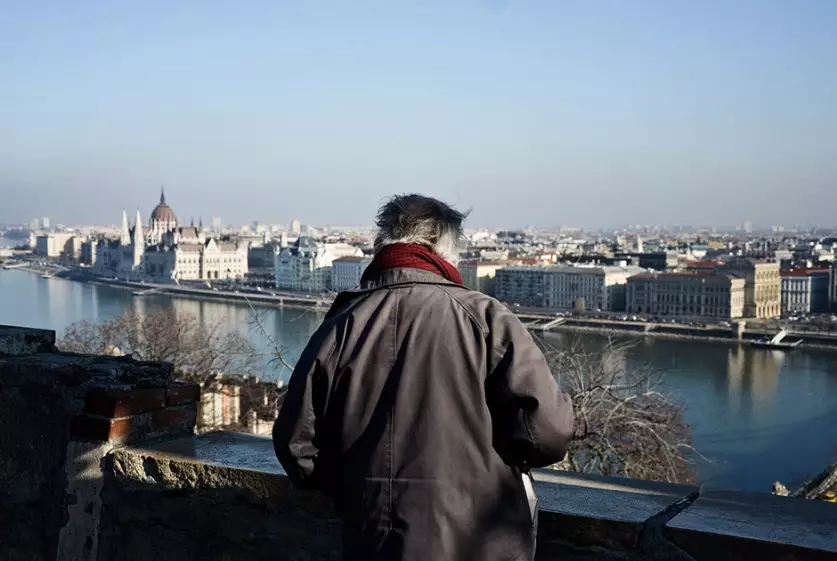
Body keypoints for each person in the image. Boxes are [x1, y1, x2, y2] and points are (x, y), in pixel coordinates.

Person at [273, 194, 574, 561]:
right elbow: (548, 433)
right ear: (440, 247)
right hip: (482, 541)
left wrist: (357, 487)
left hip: (372, 541)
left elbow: (296, 443)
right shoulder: (484, 317)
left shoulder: (342, 324)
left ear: (384, 242)